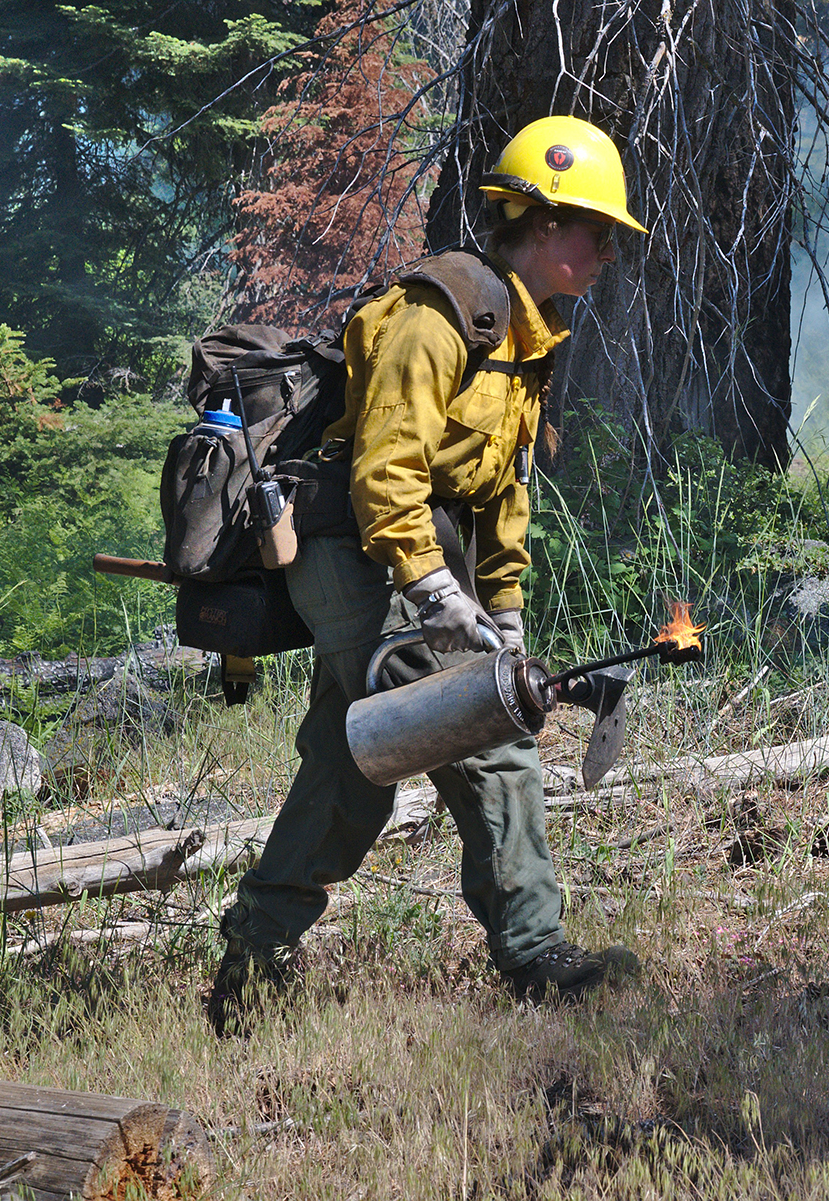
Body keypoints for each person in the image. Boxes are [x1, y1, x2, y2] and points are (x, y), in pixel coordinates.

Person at [207, 116, 648, 1035]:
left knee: (354, 758)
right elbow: (385, 468)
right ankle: (535, 954)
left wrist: (505, 605)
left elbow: (504, 491)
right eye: (594, 230)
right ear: (535, 220)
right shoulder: (440, 313)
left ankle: (252, 955)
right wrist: (429, 588)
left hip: (408, 556)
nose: (608, 249)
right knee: (485, 725)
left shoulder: (530, 335)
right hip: (350, 550)